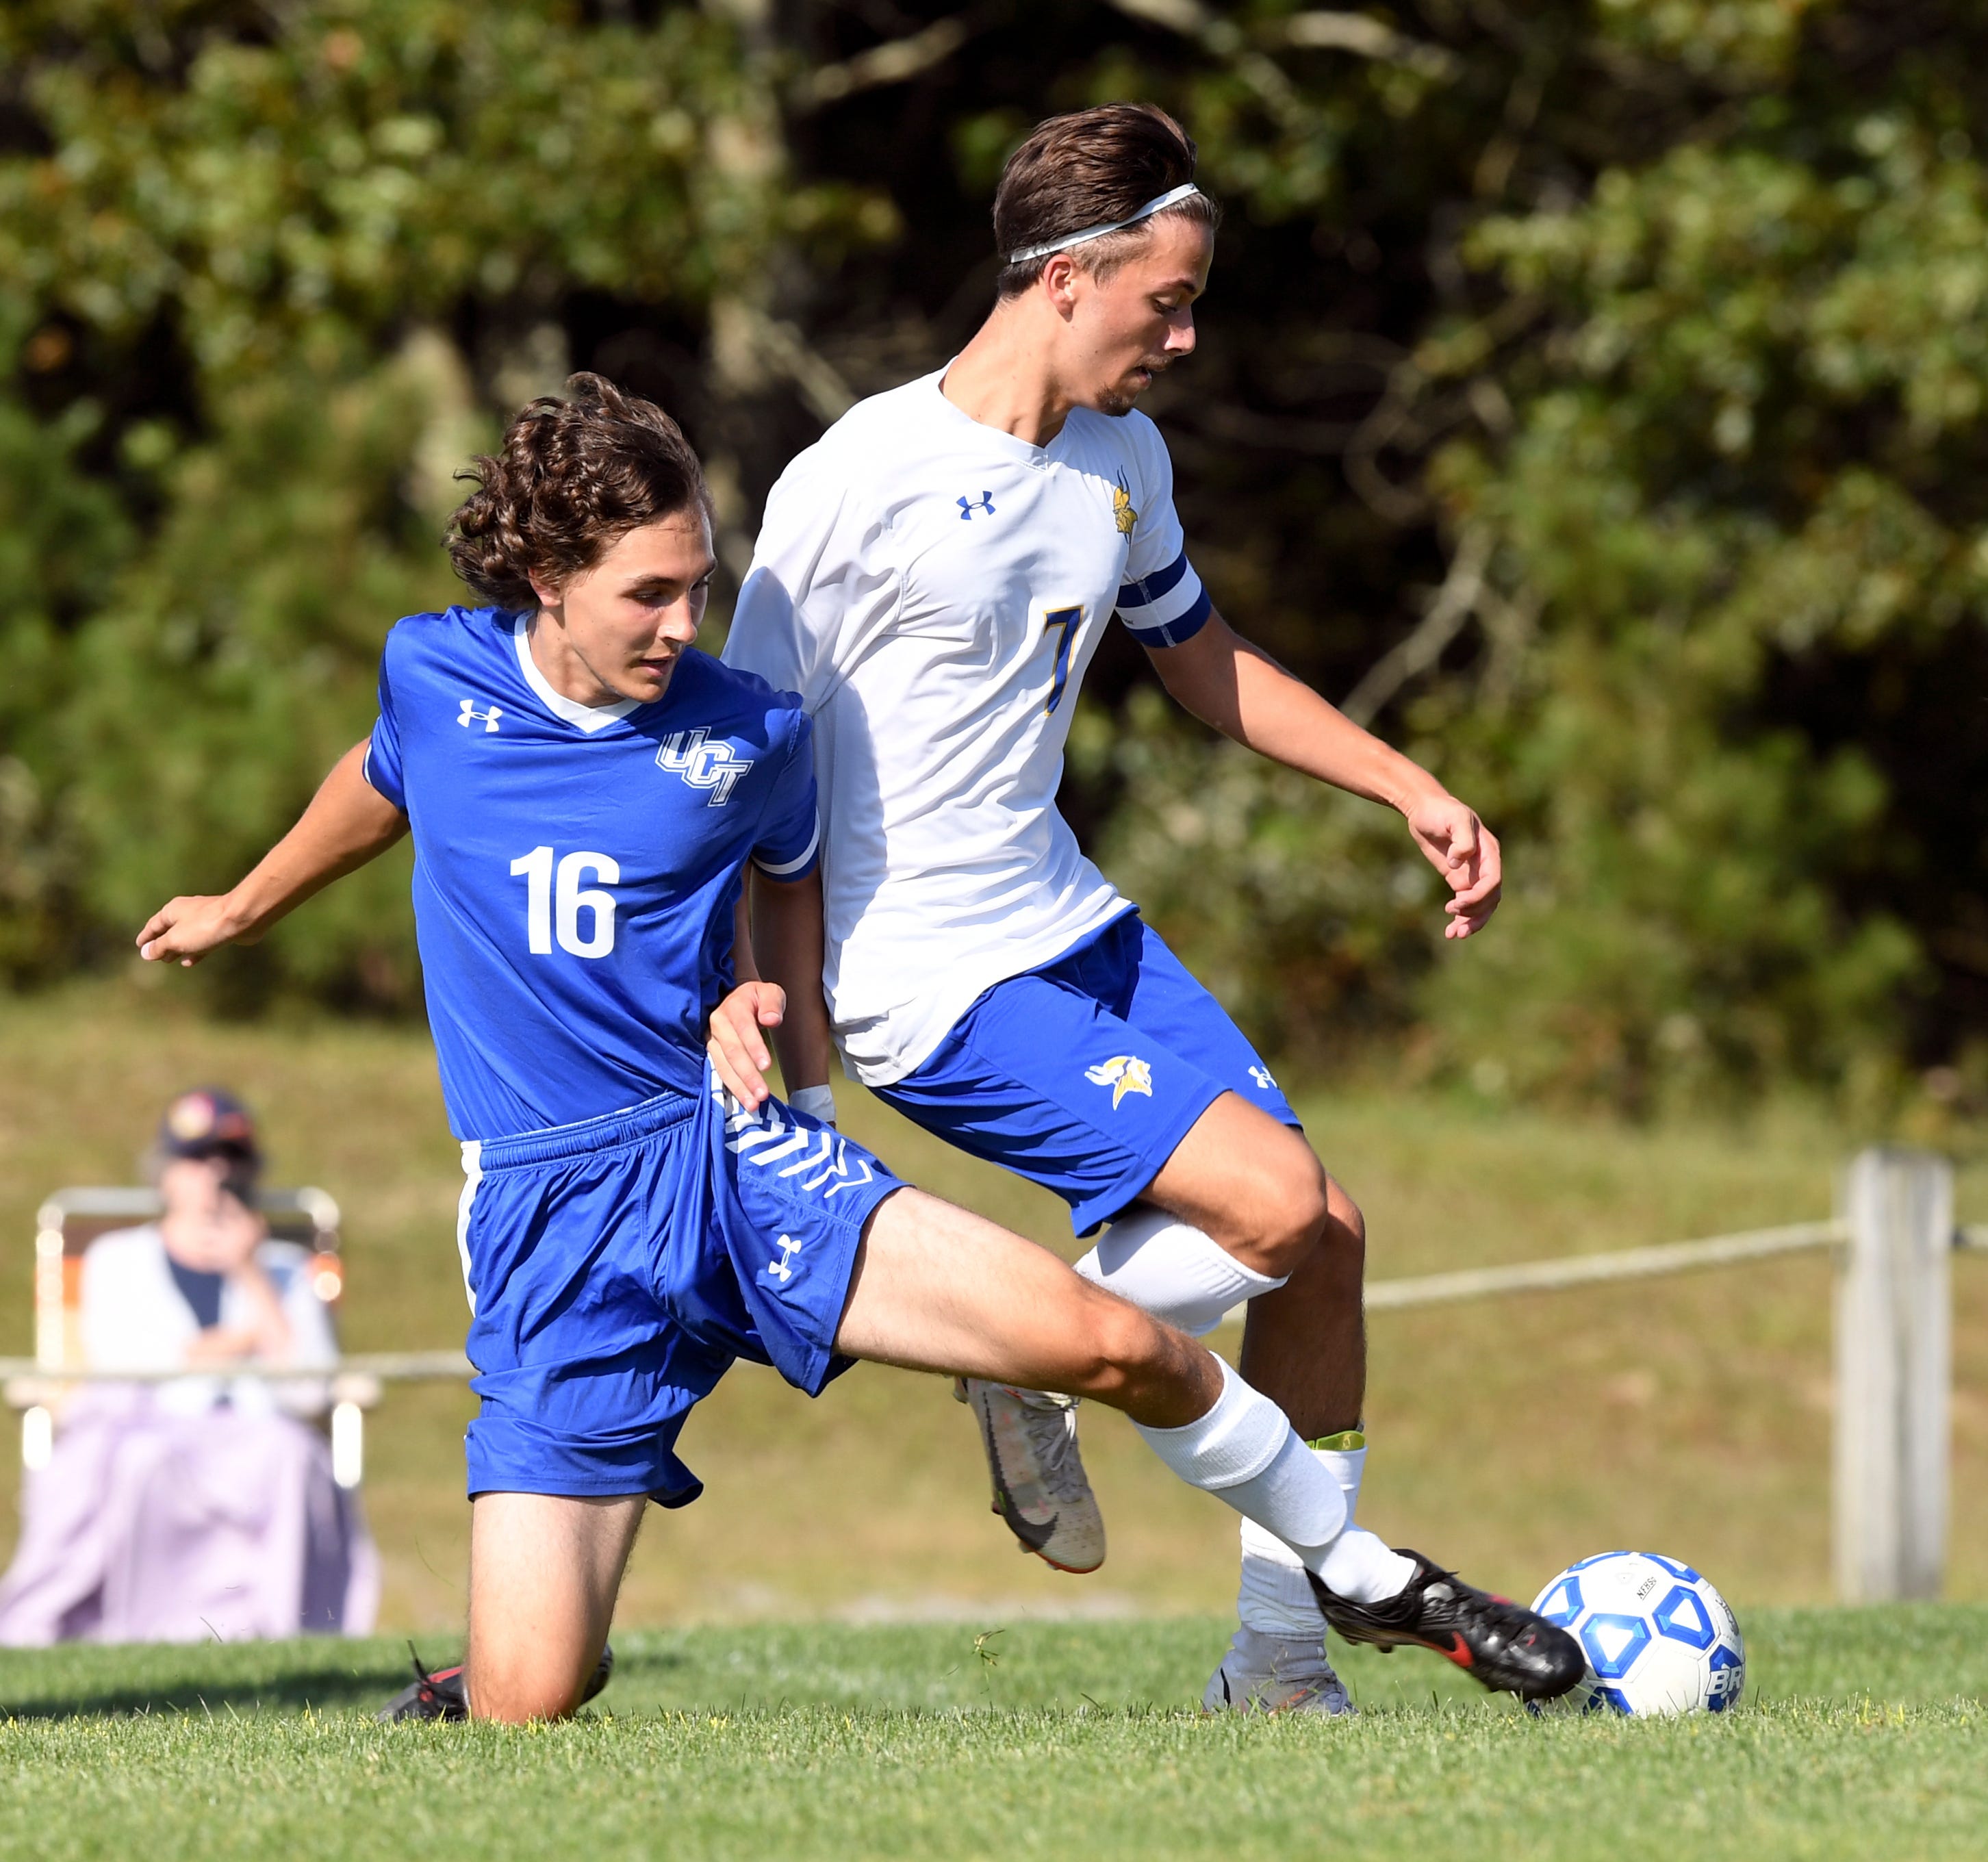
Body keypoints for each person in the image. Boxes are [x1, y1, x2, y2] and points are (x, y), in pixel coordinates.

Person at [133, 377, 1578, 1722]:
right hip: (547, 1214)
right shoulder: (431, 677)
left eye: (698, 581)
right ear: (543, 576)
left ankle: (1372, 1574)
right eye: (648, 591)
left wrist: (757, 1021)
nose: (682, 621)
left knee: (1110, 1339)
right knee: (530, 1694)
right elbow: (384, 779)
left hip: (736, 1159)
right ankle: (504, 1655)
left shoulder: (749, 727)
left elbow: (780, 891)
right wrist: (245, 902)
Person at [715, 103, 1510, 1716]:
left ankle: (1277, 1664)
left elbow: (1200, 663)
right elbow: (736, 776)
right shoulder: (851, 480)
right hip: (922, 981)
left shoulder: (1119, 461)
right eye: (1165, 297)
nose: (1185, 332)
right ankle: (1041, 1356)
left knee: (1327, 1241)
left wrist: (1400, 783)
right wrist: (767, 1027)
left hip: (1070, 925)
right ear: (1067, 277)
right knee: (1268, 1209)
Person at [0, 1088, 379, 1644]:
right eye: (198, 1158)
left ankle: (281, 1639)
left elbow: (309, 1392)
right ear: (166, 1173)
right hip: (155, 1430)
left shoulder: (287, 1270)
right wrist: (244, 1343)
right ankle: (134, 1638)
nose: (215, 1174)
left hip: (256, 1437)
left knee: (293, 1459)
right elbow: (127, 1365)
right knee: (139, 1461)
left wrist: (249, 1274)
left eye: (230, 1158)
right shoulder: (116, 1260)